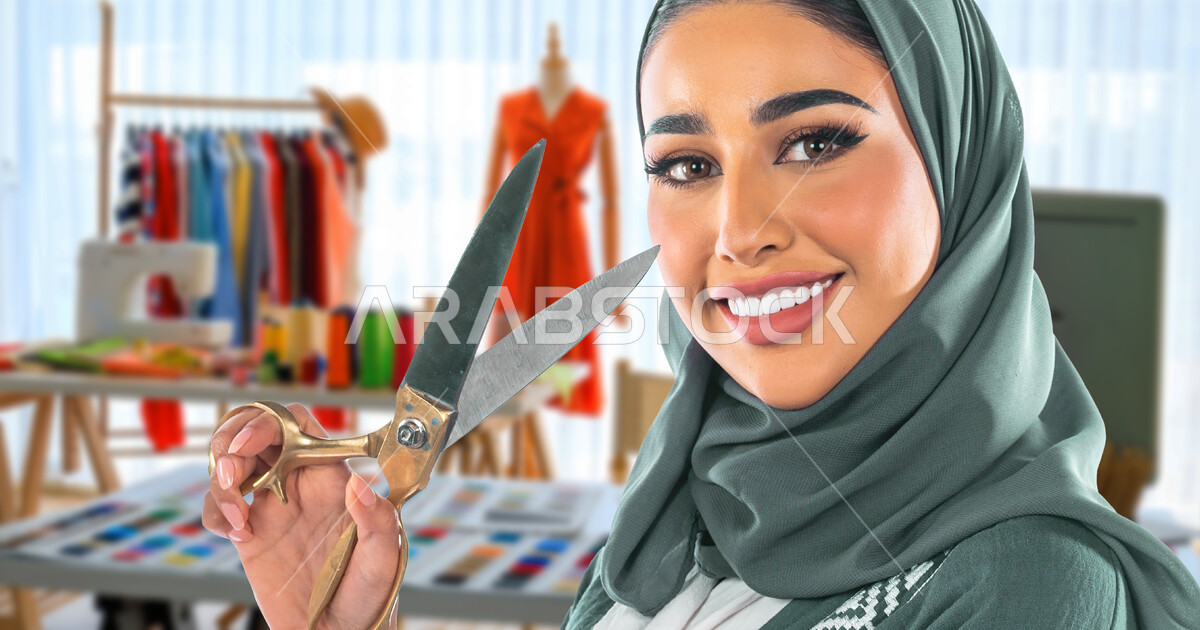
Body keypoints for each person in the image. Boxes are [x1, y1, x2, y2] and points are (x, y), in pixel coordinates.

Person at [204, 1, 1200, 628]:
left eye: (813, 143)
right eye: (687, 164)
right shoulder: (677, 513)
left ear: (962, 164)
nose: (736, 233)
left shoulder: (1030, 584)